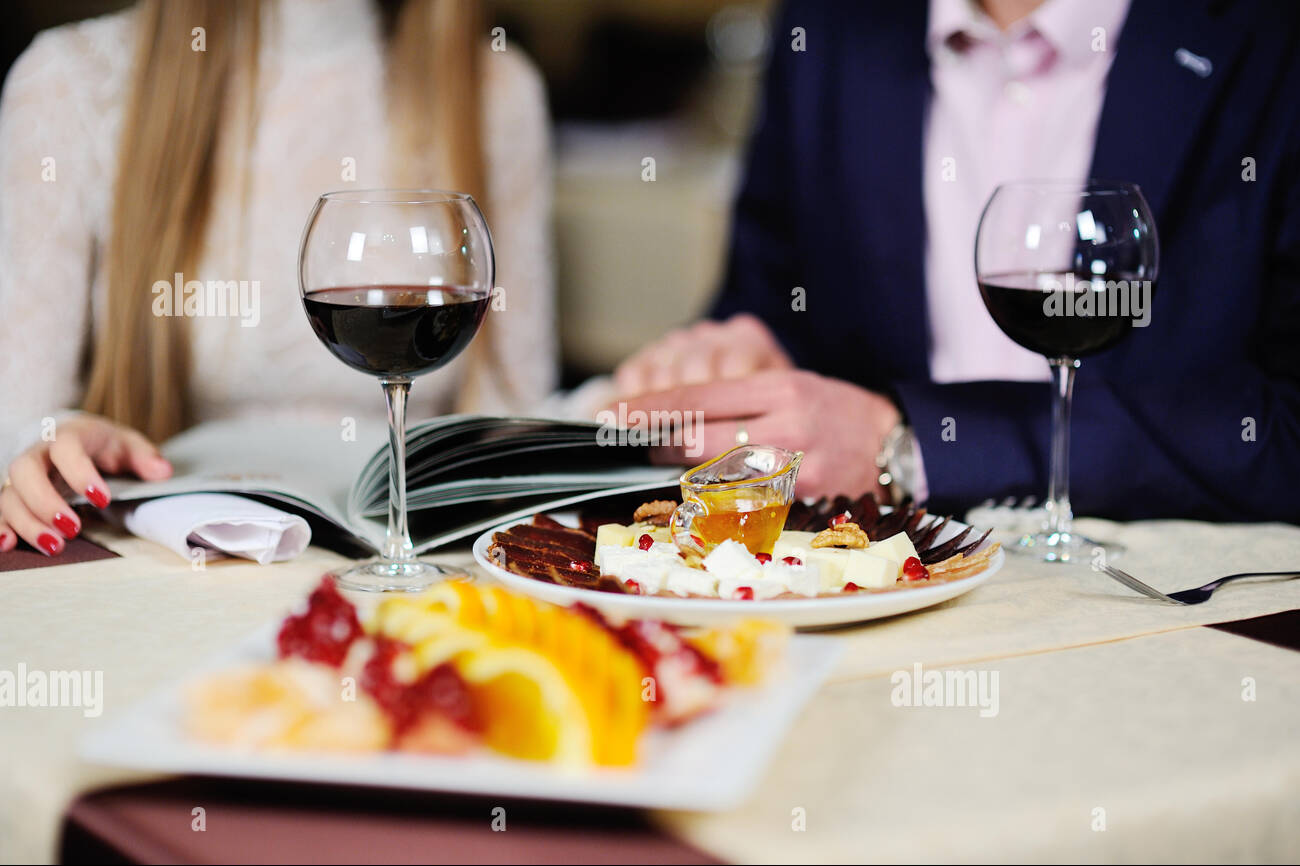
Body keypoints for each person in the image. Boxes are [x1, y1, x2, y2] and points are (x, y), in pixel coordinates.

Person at [612, 0, 1300, 522]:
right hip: (880, 590)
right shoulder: (826, 24)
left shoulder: (1270, 38)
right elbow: (774, 296)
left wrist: (909, 448)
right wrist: (746, 351)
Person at [0, 0, 556, 555]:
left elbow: (512, 425)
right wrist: (50, 444)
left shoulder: (497, 89)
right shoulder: (69, 83)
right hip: (180, 574)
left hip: (412, 577)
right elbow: (18, 423)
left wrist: (623, 413)